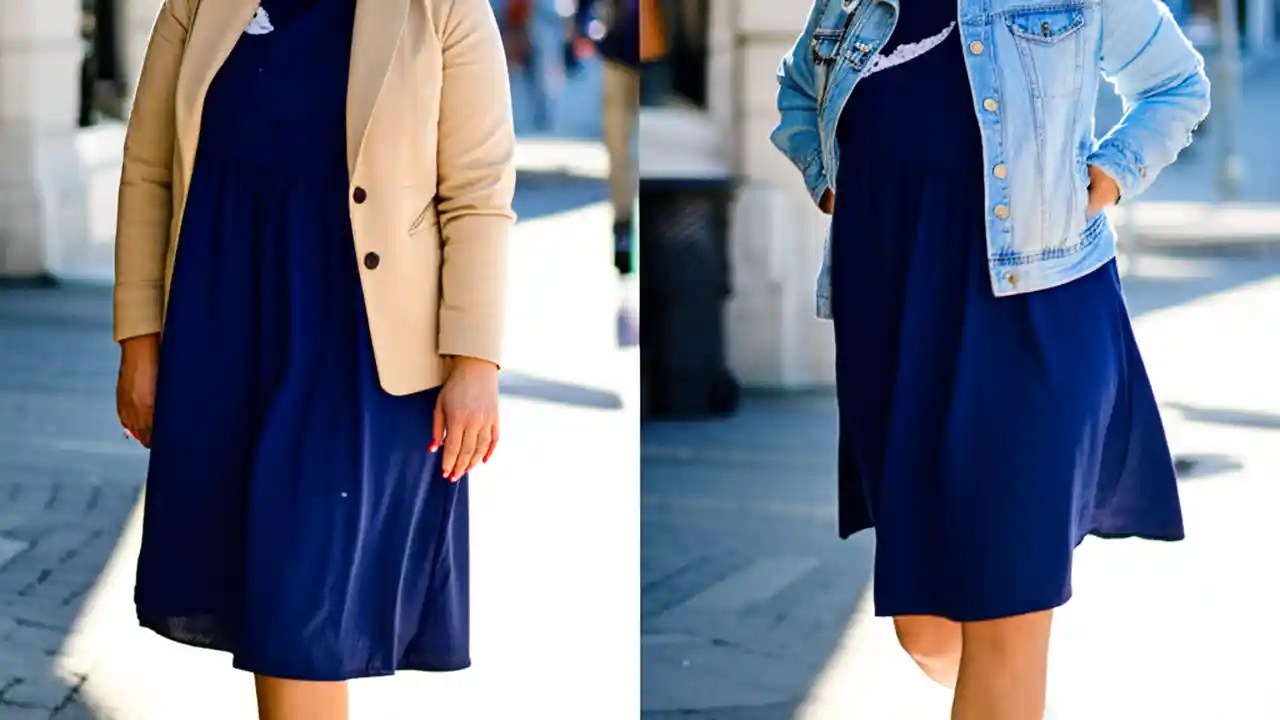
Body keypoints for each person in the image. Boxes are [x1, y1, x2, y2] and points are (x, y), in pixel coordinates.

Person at [772, 0, 1208, 717]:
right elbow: (797, 90)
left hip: (1033, 319)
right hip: (895, 326)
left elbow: (1176, 84)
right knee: (928, 629)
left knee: (1004, 621)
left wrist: (1107, 176)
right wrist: (828, 180)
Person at [113, 0, 515, 717]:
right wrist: (140, 341)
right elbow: (148, 169)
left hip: (357, 352)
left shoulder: (441, 8)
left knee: (304, 609)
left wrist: (475, 362)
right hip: (219, 333)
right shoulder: (199, 4)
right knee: (270, 608)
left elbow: (479, 192)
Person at [574, 0, 640, 275]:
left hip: (653, 54)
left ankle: (627, 228)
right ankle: (623, 227)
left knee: (628, 150)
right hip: (619, 55)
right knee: (619, 148)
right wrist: (585, 26)